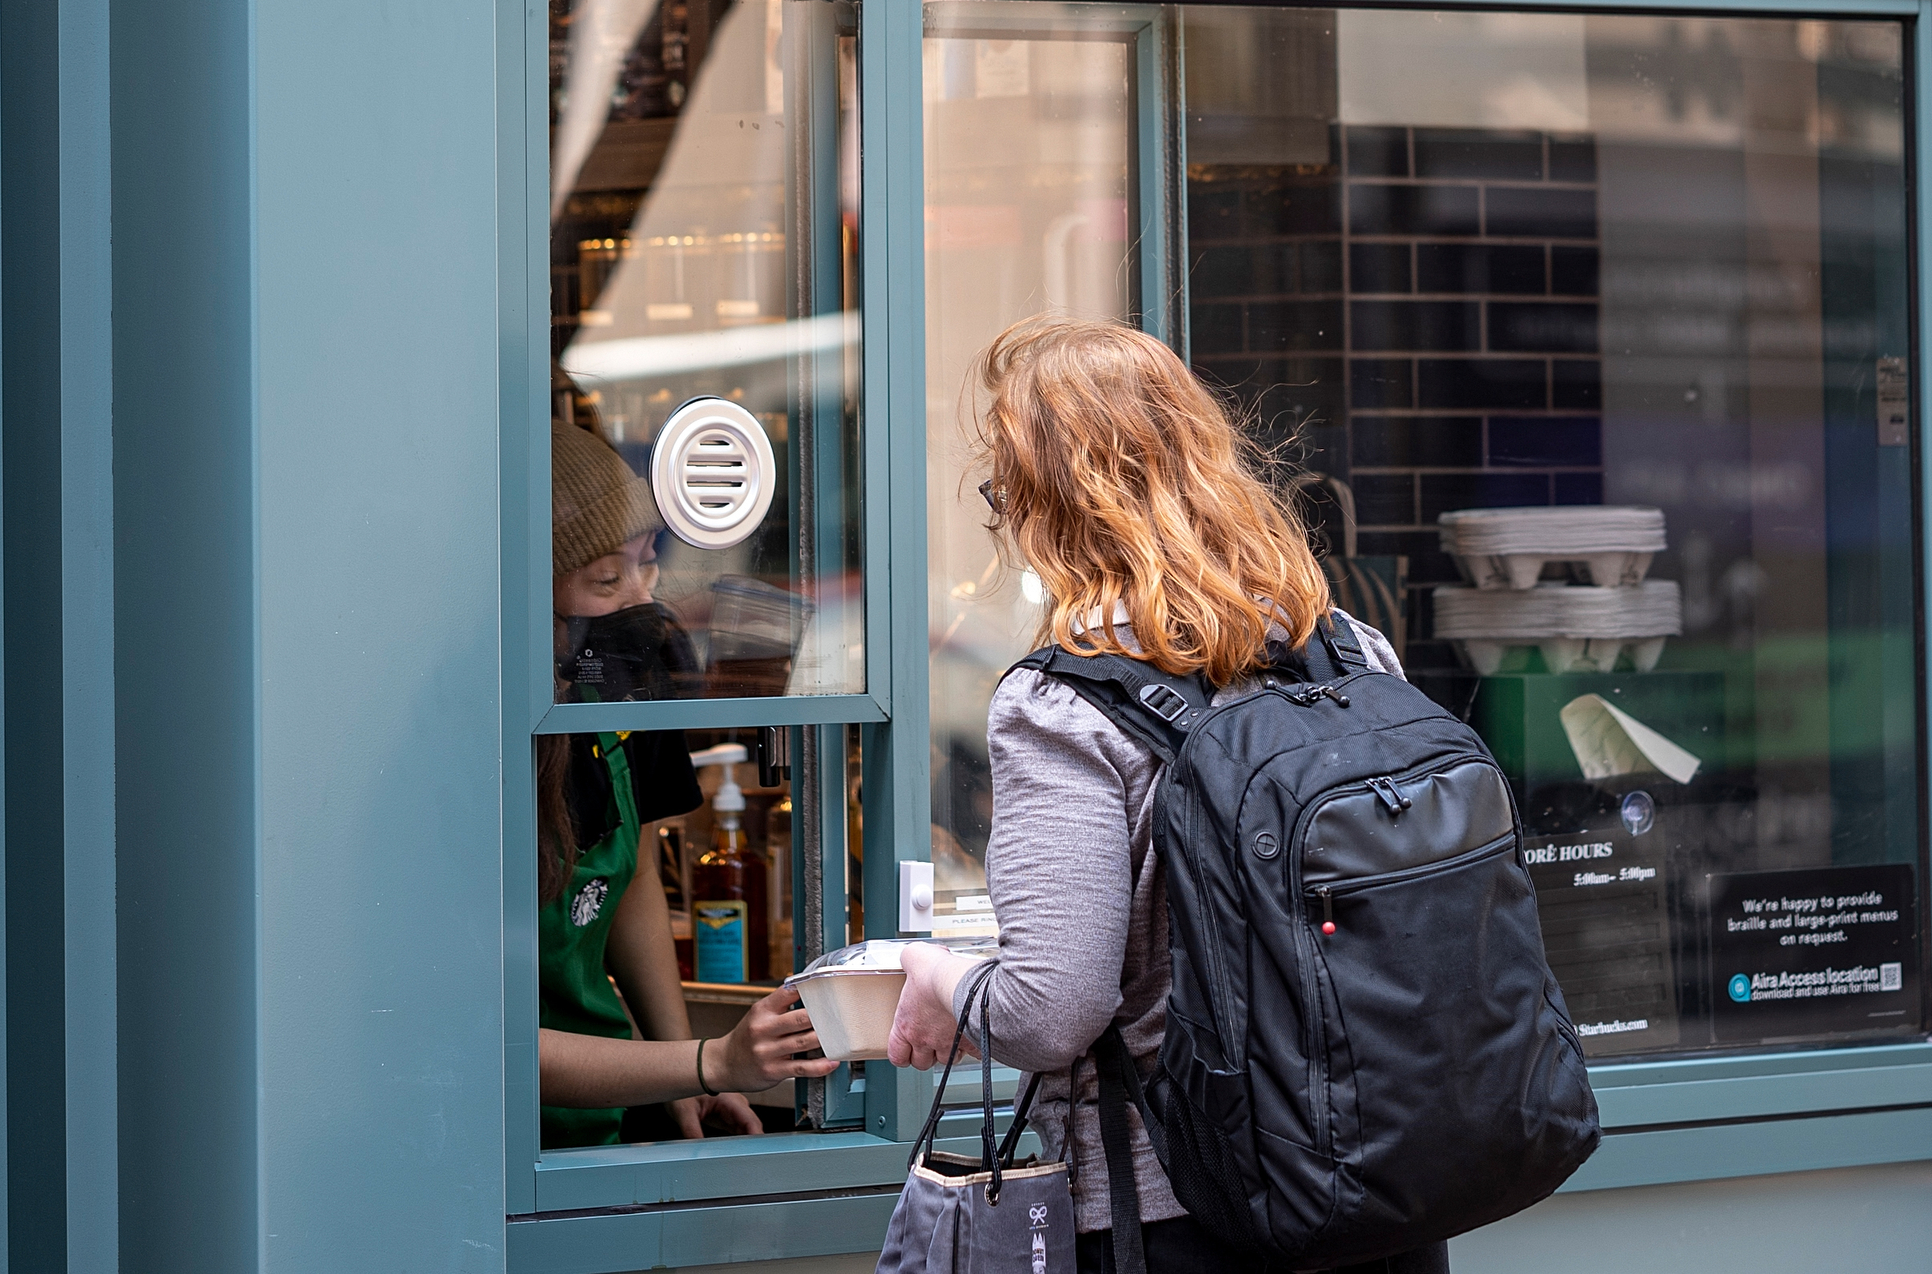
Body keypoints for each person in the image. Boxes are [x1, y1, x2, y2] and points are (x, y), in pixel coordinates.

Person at [881, 320, 1443, 1274]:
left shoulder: (1063, 701)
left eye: (1002, 494)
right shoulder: (1347, 650)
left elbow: (1053, 1008)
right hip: (1385, 1181)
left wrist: (935, 979)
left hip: (1188, 1208)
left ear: (1046, 507)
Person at [536, 413, 832, 1141]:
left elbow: (635, 873)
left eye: (648, 562)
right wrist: (707, 1063)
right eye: (607, 579)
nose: (642, 599)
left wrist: (683, 1087)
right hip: (496, 1140)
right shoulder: (468, 754)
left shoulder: (616, 702)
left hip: (602, 1115)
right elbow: (490, 1046)